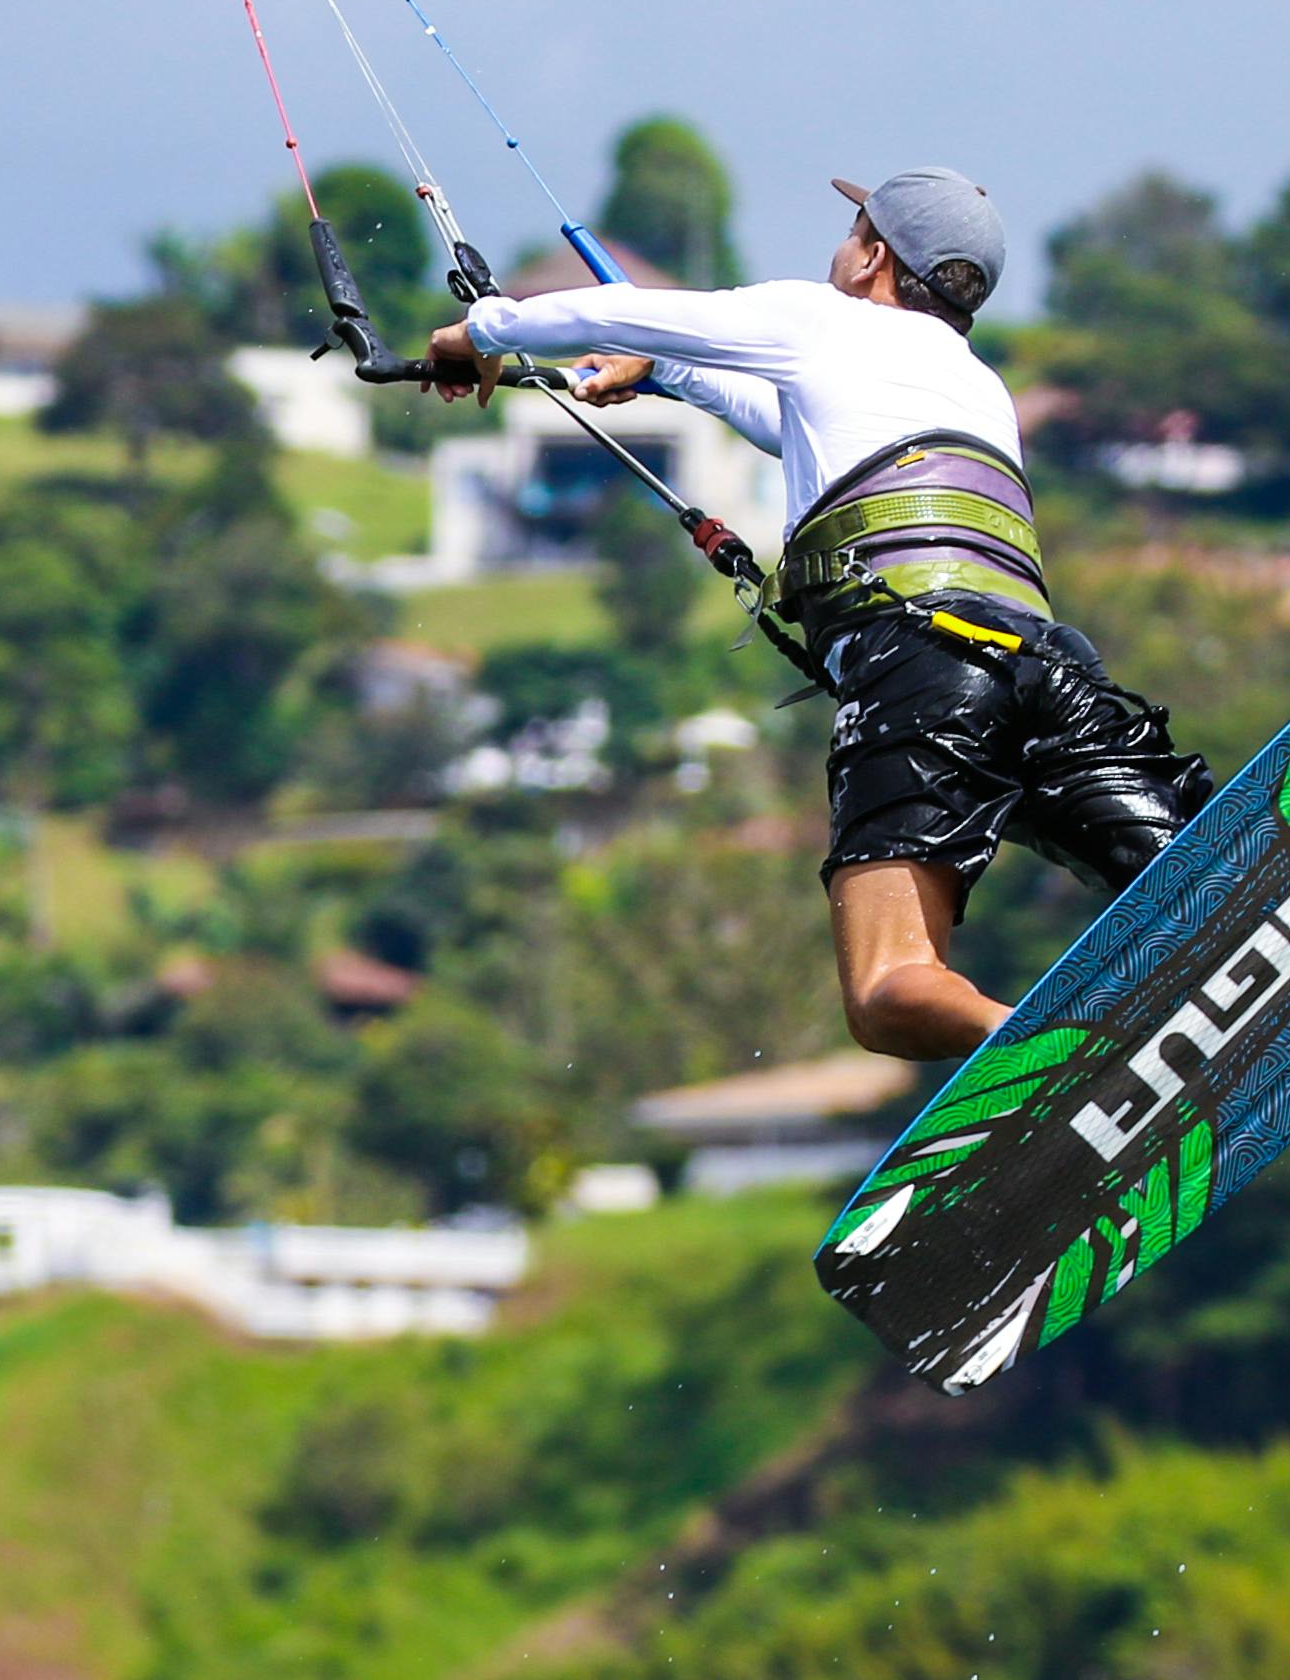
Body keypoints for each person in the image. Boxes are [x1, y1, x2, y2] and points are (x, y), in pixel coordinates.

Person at [424, 167, 1211, 1058]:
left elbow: (613, 309)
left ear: (874, 257)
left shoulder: (823, 320)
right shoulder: (976, 386)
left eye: (854, 230)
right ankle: (1239, 906)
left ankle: (1062, 1054)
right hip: (1048, 664)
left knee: (889, 992)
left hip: (925, 668)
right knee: (1183, 885)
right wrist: (669, 375)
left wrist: (474, 332)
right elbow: (784, 416)